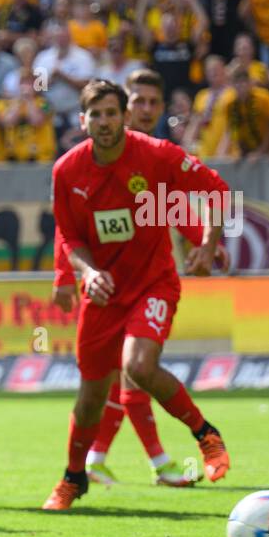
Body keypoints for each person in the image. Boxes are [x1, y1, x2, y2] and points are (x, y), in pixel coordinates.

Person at [44, 79, 231, 511]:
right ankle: (74, 477)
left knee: (138, 366)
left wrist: (206, 242)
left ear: (124, 117)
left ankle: (206, 435)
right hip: (103, 294)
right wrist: (85, 273)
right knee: (91, 397)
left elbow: (218, 190)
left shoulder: (156, 154)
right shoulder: (67, 171)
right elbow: (69, 236)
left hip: (153, 282)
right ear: (82, 120)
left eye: (112, 113)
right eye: (96, 114)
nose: (105, 122)